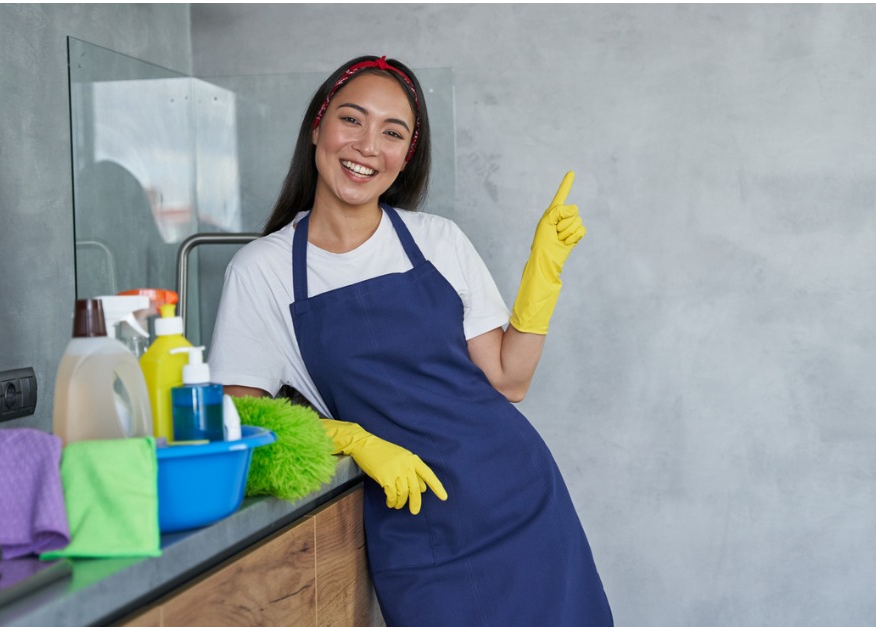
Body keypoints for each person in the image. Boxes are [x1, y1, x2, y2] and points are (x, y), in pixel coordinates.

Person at [209, 55, 613, 626]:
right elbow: (235, 417)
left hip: (522, 502)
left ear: (406, 156)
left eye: (392, 132)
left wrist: (542, 273)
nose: (368, 145)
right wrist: (350, 440)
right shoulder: (263, 270)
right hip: (416, 527)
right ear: (318, 126)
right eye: (352, 120)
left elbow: (510, 379)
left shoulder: (436, 240)